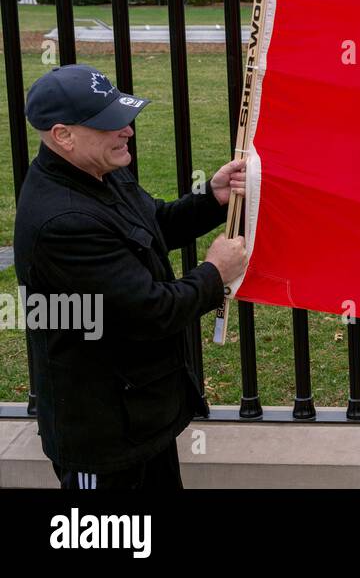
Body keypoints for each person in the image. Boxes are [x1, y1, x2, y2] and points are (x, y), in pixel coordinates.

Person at [14, 64, 249, 490]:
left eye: (123, 116)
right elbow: (149, 310)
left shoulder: (97, 169)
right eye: (109, 124)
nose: (128, 131)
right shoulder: (63, 221)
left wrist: (210, 198)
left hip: (139, 415)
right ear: (63, 135)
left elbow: (151, 221)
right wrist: (214, 274)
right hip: (102, 437)